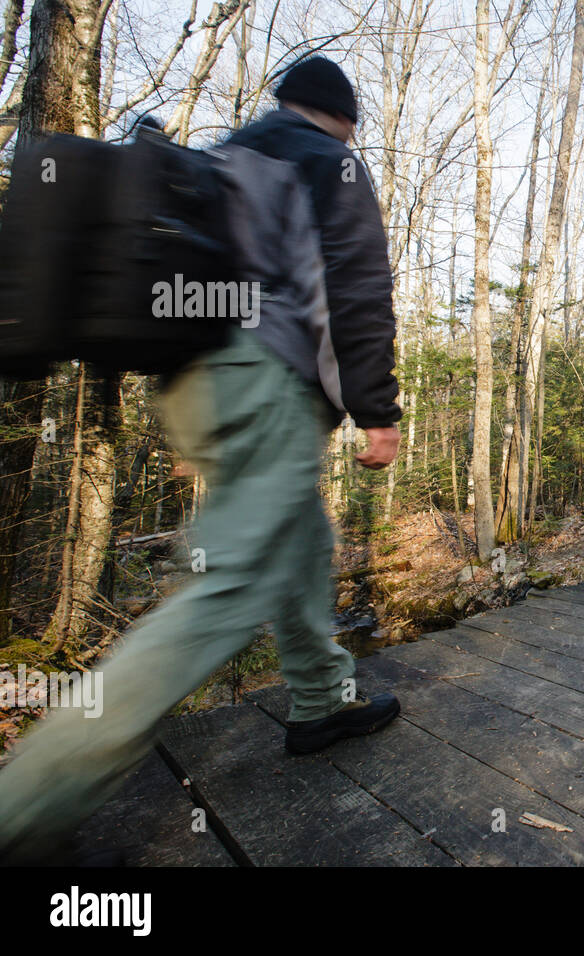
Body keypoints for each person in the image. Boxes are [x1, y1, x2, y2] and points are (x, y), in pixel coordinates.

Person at [0, 57, 402, 863]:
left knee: (299, 536)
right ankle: (25, 808)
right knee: (228, 585)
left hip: (196, 382)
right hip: (264, 380)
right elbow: (358, 286)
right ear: (340, 117)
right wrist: (378, 410)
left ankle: (322, 700)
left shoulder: (231, 154)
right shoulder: (330, 160)